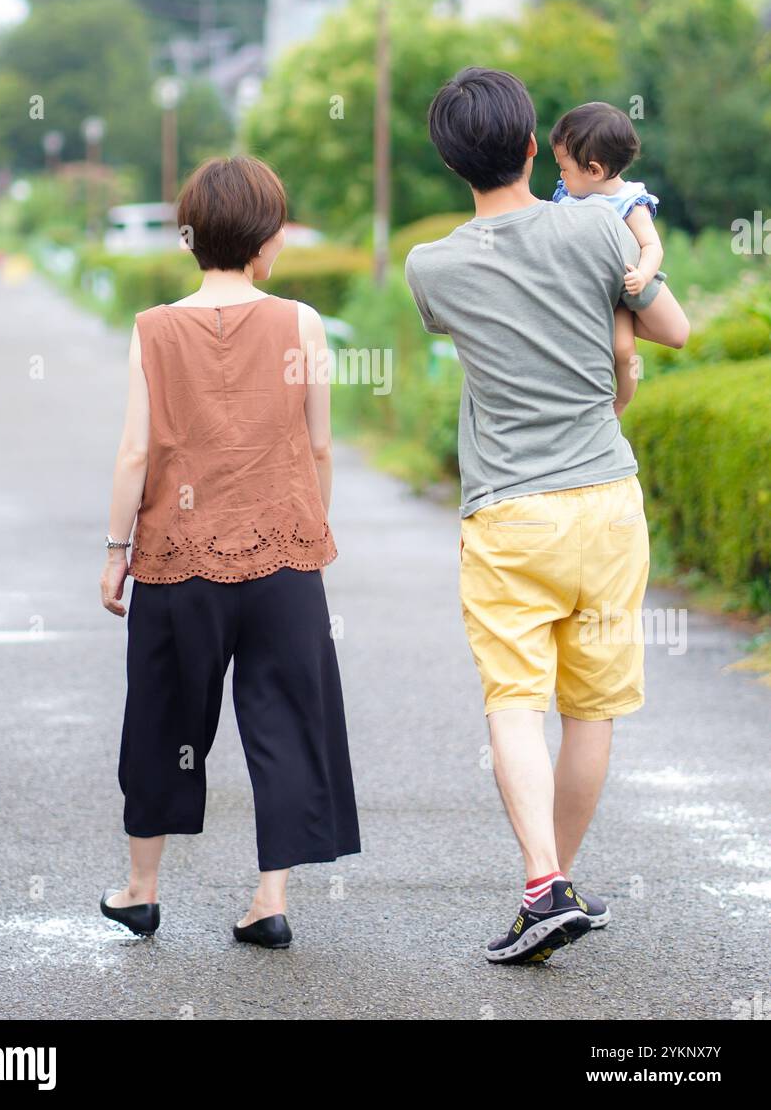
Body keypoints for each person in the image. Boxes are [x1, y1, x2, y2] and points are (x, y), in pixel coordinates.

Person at [405, 68, 689, 965]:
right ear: (536, 146)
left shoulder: (432, 266)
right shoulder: (601, 227)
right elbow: (672, 328)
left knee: (516, 704)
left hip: (510, 512)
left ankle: (543, 887)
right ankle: (556, 883)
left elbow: (471, 323)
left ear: (453, 162)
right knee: (592, 710)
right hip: (607, 500)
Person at [99, 155, 360, 949]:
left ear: (192, 236)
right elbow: (319, 447)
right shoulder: (300, 323)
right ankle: (269, 901)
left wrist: (117, 551)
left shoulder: (153, 330)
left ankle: (141, 890)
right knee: (284, 718)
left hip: (178, 565)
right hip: (283, 560)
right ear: (264, 238)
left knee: (162, 720)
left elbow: (135, 454)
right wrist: (309, 528)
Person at [550, 101, 663, 416]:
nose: (561, 175)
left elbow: (652, 246)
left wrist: (642, 275)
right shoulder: (569, 196)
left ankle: (622, 400)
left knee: (623, 350)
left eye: (564, 167)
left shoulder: (629, 202)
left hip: (613, 293)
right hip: (572, 290)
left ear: (594, 170)